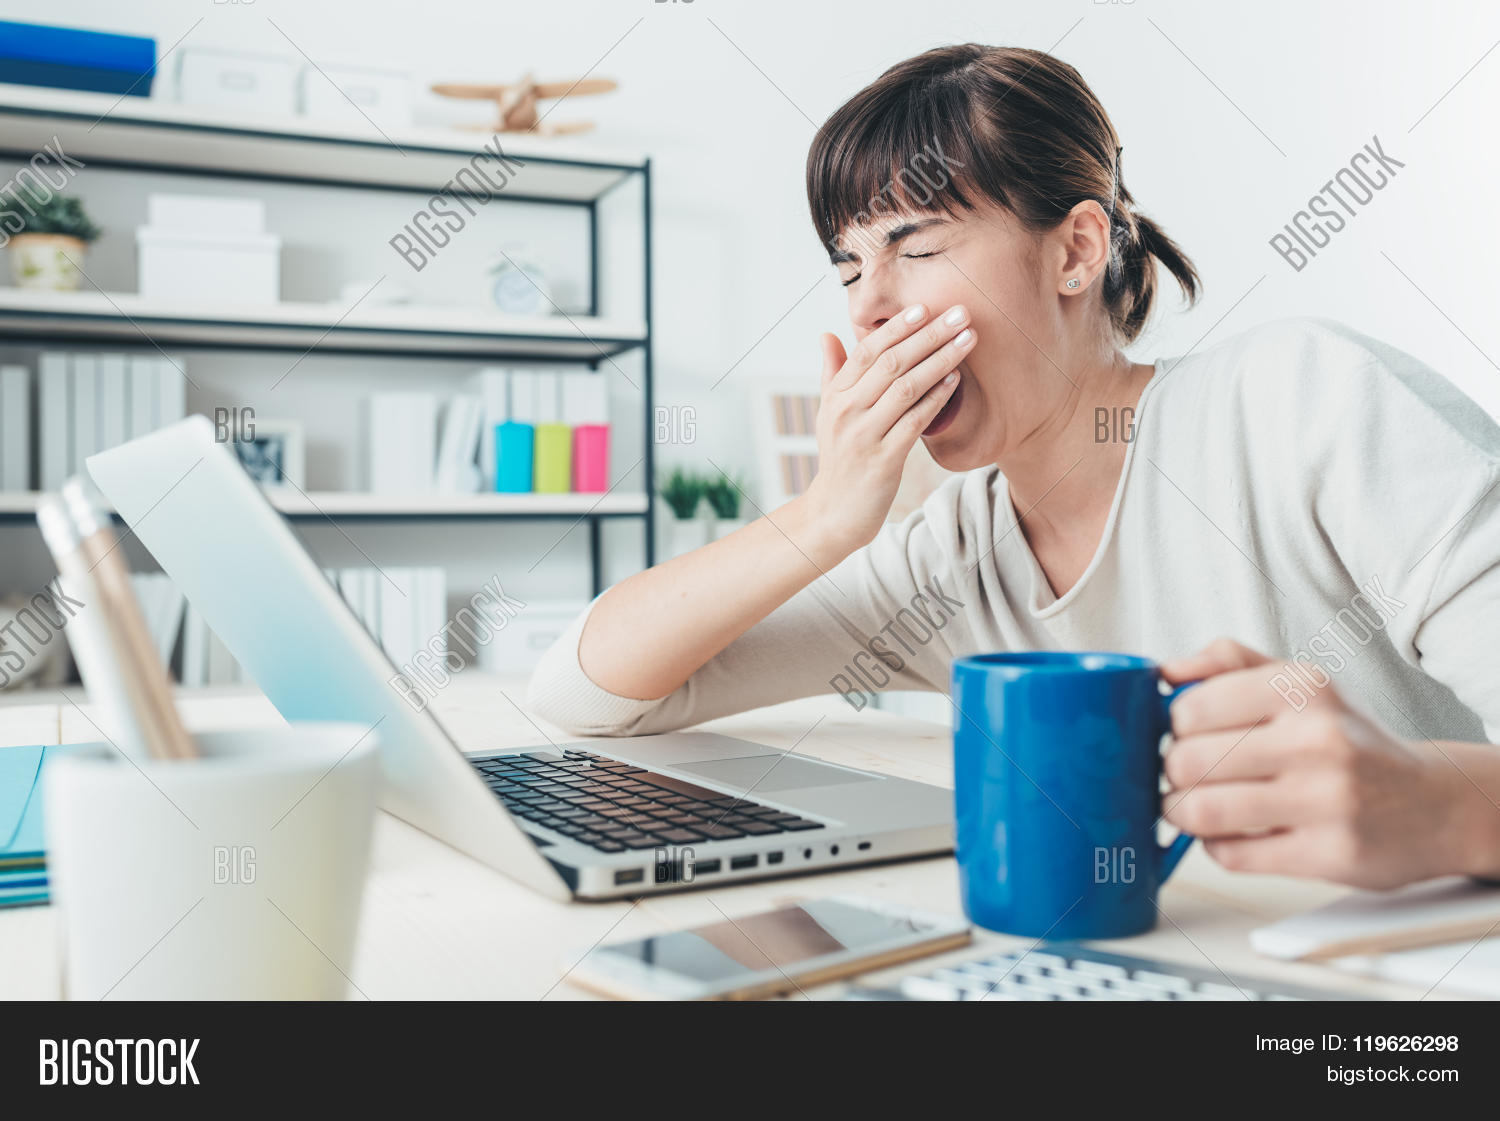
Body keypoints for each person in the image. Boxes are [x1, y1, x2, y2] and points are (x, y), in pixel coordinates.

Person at [530, 43, 1500, 890]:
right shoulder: (949, 559)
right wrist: (822, 517)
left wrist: (1441, 808)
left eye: (914, 245)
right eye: (850, 268)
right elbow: (591, 692)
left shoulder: (1306, 400)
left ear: (1076, 249)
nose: (867, 308)